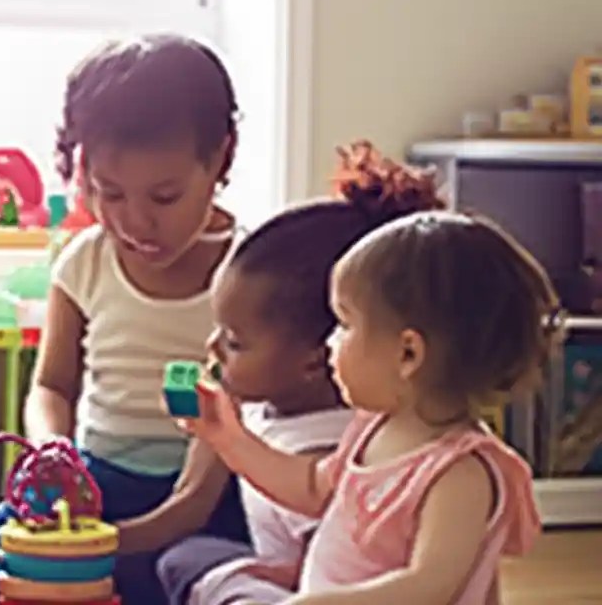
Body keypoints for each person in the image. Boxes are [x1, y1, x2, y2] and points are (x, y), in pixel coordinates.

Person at [184, 151, 551, 603]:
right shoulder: (373, 425)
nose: (331, 343)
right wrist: (229, 439)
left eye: (345, 324)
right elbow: (313, 489)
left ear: (408, 353)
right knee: (208, 572)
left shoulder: (460, 473)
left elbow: (429, 586)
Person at [0, 34, 251, 604]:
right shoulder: (85, 262)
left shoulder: (247, 275)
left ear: (219, 159)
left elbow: (207, 481)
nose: (136, 223)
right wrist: (55, 450)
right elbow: (51, 384)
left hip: (206, 492)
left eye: (165, 197)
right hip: (94, 480)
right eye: (110, 194)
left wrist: (115, 541)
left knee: (183, 577)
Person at [154, 142, 441, 605]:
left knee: (197, 568)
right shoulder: (263, 408)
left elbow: (343, 569)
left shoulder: (334, 444)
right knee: (187, 560)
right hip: (296, 576)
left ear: (314, 358)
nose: (213, 348)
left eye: (235, 341)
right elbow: (192, 497)